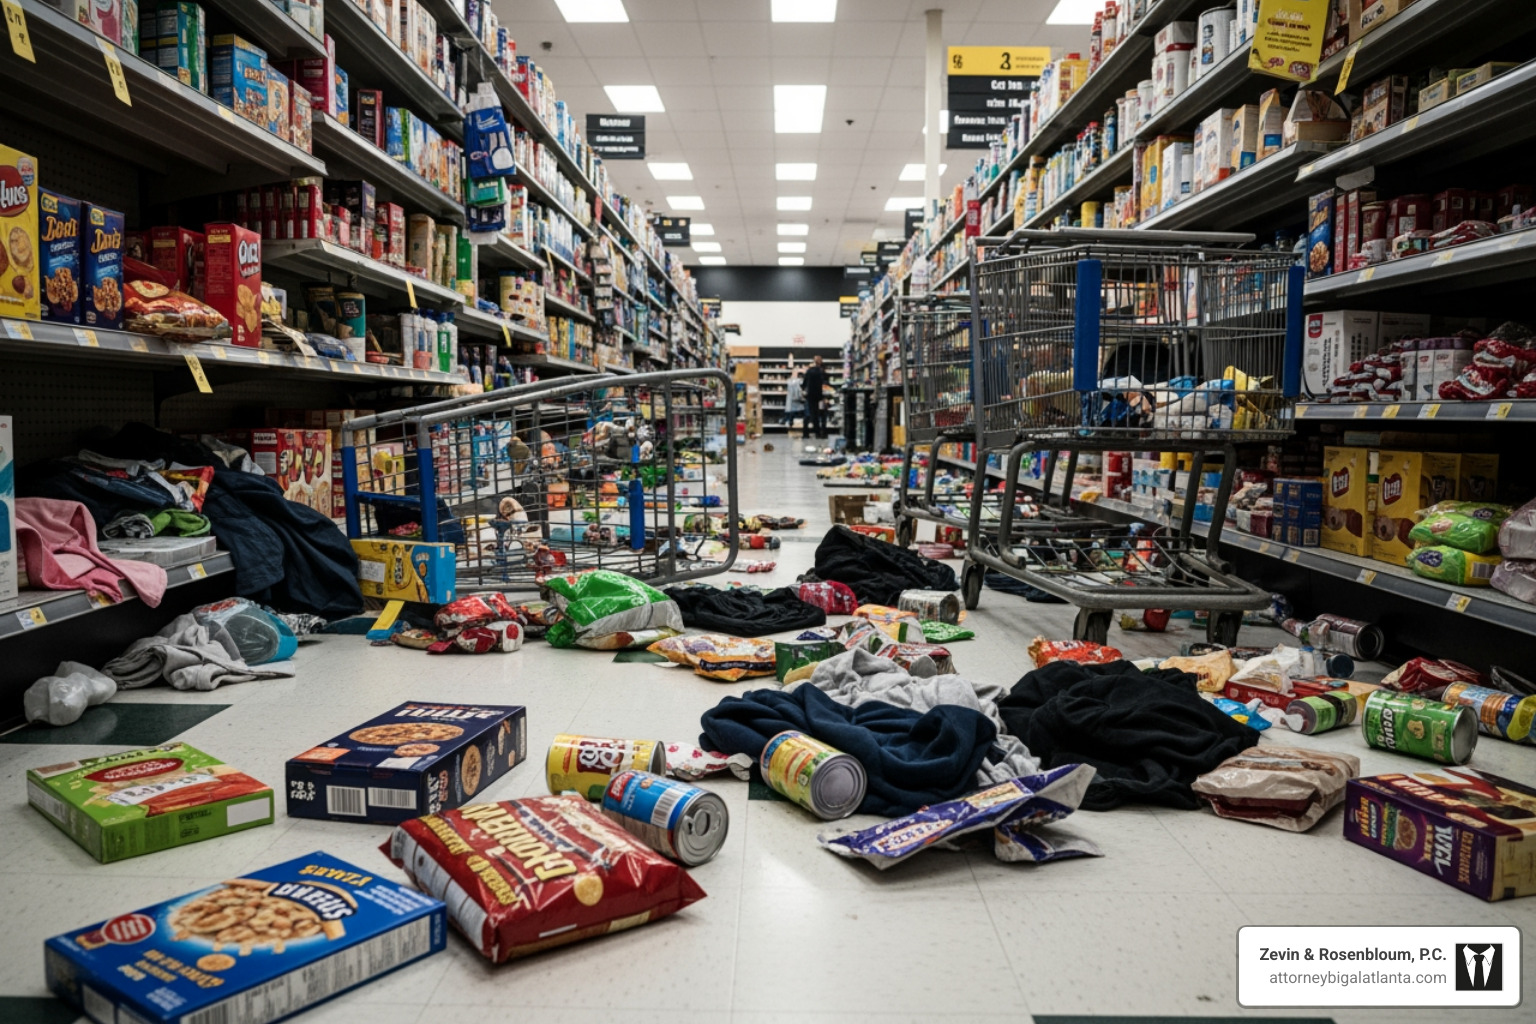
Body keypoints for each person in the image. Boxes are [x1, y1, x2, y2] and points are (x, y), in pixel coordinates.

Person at [803, 355, 829, 439]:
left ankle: (806, 433)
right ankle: (821, 433)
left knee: (809, 414)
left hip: (810, 396)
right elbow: (826, 384)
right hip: (820, 397)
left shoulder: (809, 371)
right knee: (821, 415)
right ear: (821, 362)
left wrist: (805, 391)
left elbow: (804, 384)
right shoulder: (822, 372)